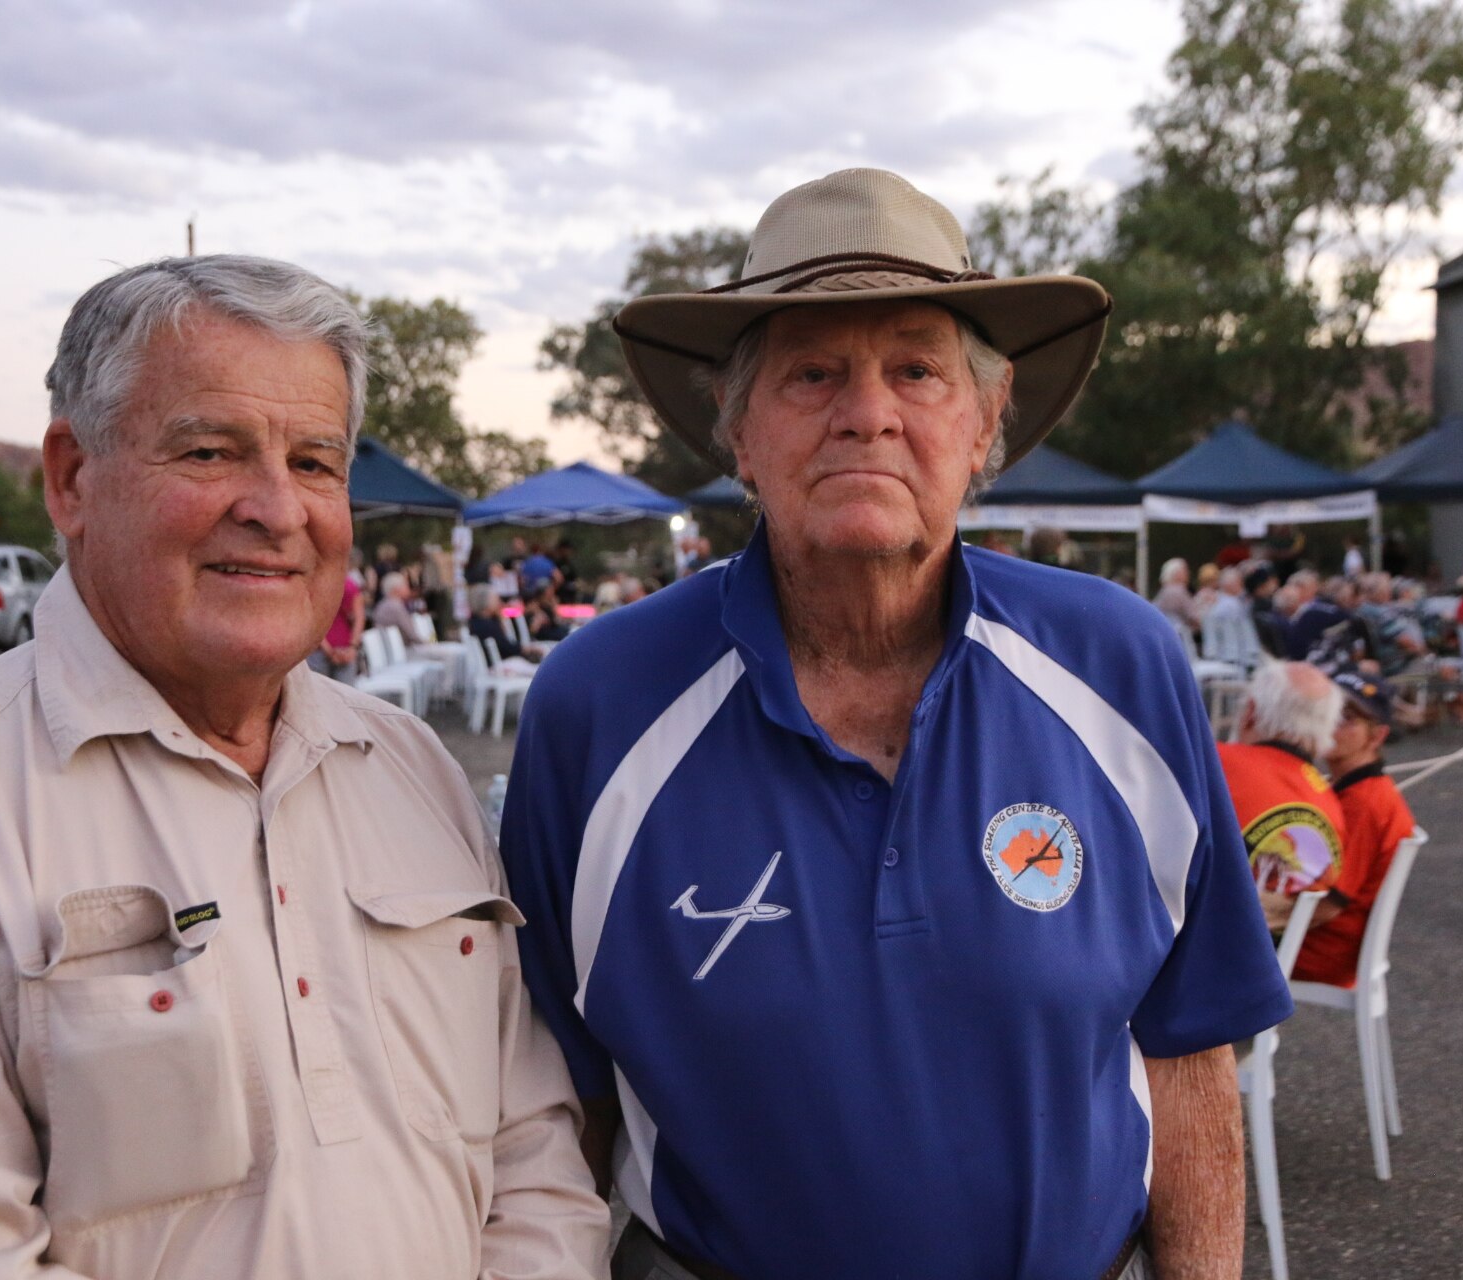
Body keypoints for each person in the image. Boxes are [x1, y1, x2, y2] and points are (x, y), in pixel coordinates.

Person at [499, 168, 1291, 1280]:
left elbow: (1190, 1046)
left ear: (984, 421)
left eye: (916, 370)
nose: (866, 412)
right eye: (811, 372)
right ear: (738, 433)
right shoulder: (599, 700)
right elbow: (553, 1097)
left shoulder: (1120, 662)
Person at [0, 254, 608, 1279]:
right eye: (210, 451)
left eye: (314, 462)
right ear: (72, 478)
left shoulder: (408, 766)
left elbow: (532, 1150)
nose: (277, 509)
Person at [1292, 673, 1416, 987]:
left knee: (1208, 941)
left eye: (1347, 718)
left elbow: (1329, 905)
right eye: (1328, 712)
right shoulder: (1362, 788)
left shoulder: (1363, 803)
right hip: (1326, 942)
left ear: (1377, 736)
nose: (1331, 724)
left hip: (1320, 952)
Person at [1216, 660, 1347, 930]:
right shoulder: (1331, 805)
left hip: (1191, 946)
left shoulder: (1217, 763)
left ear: (1250, 713)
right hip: (1269, 952)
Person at [309, 551, 366, 683]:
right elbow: (359, 618)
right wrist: (353, 646)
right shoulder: (350, 586)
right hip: (345, 647)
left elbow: (312, 620)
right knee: (344, 692)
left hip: (318, 648)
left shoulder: (315, 585)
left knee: (317, 691)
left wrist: (328, 650)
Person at [1202, 566, 1263, 672]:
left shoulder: (1213, 602)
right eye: (1240, 583)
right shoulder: (1233, 605)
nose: (1242, 587)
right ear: (1230, 585)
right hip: (1236, 658)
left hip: (1215, 656)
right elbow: (1246, 638)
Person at [370, 569, 421, 646]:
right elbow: (412, 634)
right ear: (396, 589)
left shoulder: (383, 605)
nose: (408, 588)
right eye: (406, 585)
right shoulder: (395, 607)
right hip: (400, 648)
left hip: (388, 647)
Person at [1151, 556, 1196, 639]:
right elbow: (1192, 615)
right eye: (1185, 571)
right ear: (1176, 574)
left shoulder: (1164, 591)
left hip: (1164, 632)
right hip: (1180, 634)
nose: (1188, 574)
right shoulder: (1179, 590)